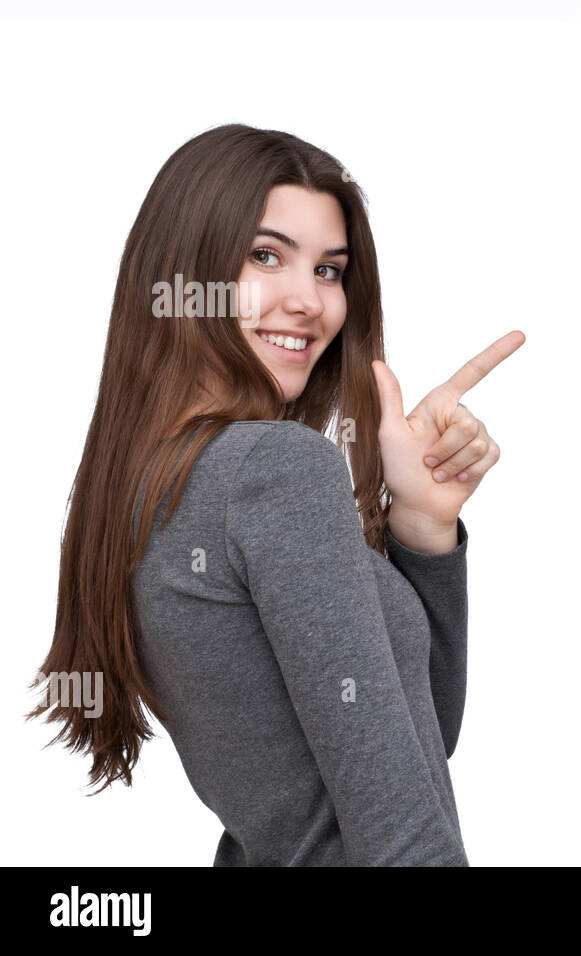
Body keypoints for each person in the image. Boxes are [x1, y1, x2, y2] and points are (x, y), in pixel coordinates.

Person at [27, 123, 524, 865]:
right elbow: (404, 838)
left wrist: (421, 526)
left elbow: (421, 743)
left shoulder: (142, 486)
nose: (310, 303)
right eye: (266, 257)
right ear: (179, 271)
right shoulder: (275, 469)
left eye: (330, 271)